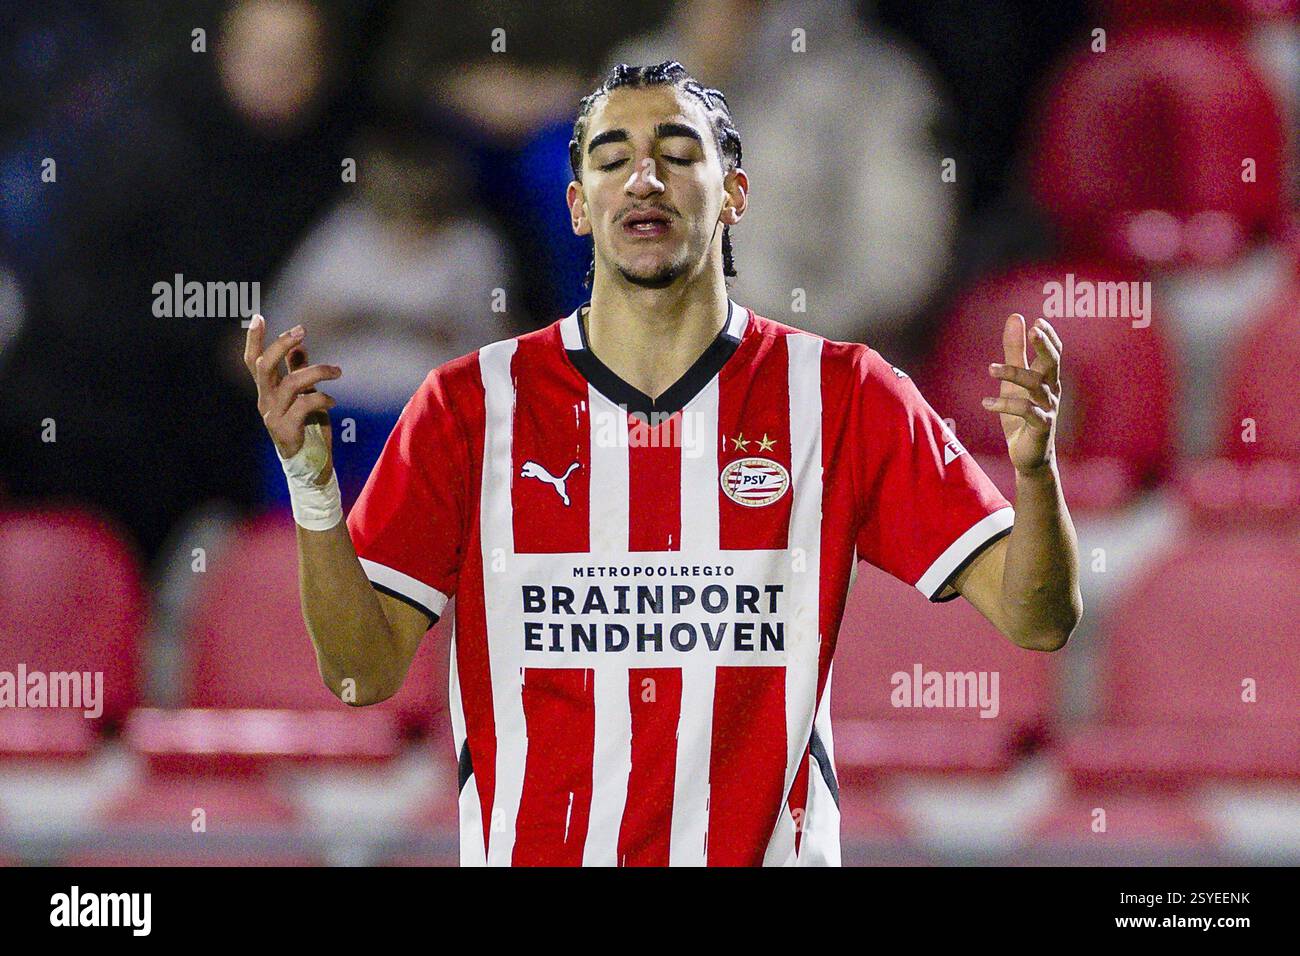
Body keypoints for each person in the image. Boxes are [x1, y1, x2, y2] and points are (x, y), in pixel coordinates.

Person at [243, 61, 1081, 867]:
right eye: (613, 161)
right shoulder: (469, 406)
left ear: (736, 195)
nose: (644, 178)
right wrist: (313, 487)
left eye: (679, 156)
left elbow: (1037, 619)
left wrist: (1035, 474)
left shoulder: (842, 394)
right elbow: (359, 673)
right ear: (579, 206)